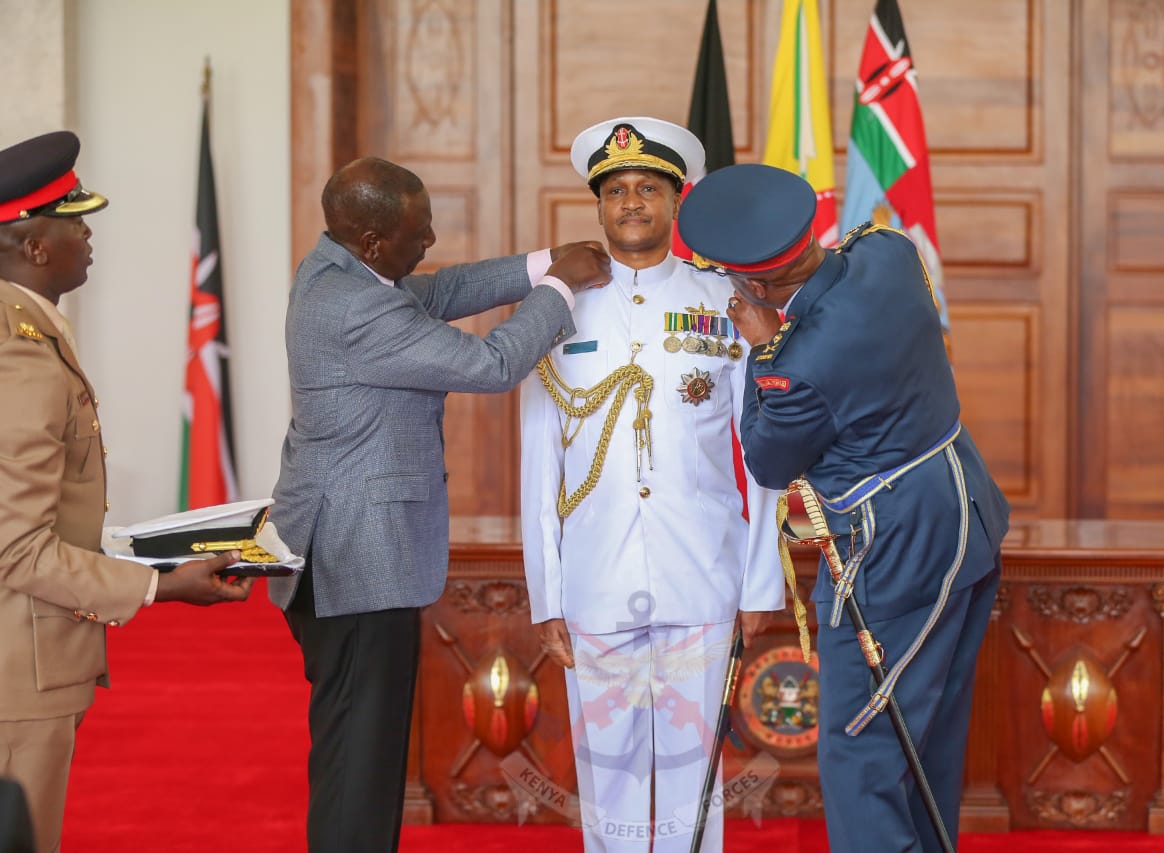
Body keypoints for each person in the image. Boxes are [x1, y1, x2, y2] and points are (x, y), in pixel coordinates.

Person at [268, 154, 611, 852]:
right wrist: (561, 291)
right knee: (361, 760)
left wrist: (540, 263)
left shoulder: (334, 268)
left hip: (336, 548)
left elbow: (440, 288)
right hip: (359, 557)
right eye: (418, 233)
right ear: (372, 242)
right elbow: (491, 365)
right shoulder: (358, 306)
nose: (429, 243)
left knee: (352, 749)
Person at [678, 162, 1011, 853]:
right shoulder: (887, 251)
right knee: (927, 731)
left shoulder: (797, 362)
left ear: (754, 282)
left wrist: (763, 343)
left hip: (893, 546)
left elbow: (769, 459)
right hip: (964, 508)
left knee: (861, 748)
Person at [519, 118, 784, 852]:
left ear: (675, 201)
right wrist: (548, 591)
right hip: (595, 578)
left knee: (696, 772)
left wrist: (761, 580)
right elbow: (539, 464)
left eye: (647, 188)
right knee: (610, 775)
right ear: (599, 208)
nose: (630, 201)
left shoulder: (722, 302)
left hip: (703, 572)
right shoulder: (557, 308)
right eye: (615, 191)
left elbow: (758, 450)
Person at [0, 131, 253, 853]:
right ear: (33, 245)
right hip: (19, 674)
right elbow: (16, 547)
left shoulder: (27, 331)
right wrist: (160, 586)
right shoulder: (19, 353)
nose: (86, 235)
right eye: (73, 221)